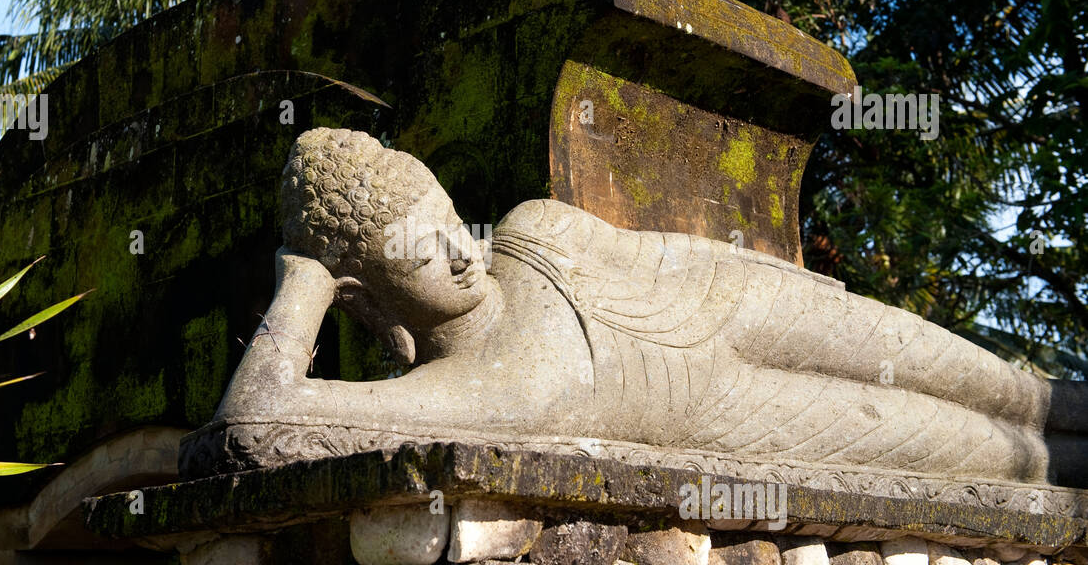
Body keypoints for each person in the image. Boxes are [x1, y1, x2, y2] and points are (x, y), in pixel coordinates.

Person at [216, 128, 1085, 487]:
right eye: (421, 250)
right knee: (1012, 454)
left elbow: (679, 256)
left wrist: (805, 288)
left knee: (1021, 392)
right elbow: (254, 422)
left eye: (446, 217)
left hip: (746, 303)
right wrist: (307, 278)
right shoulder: (449, 395)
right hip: (735, 411)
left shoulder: (527, 231)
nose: (455, 249)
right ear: (364, 292)